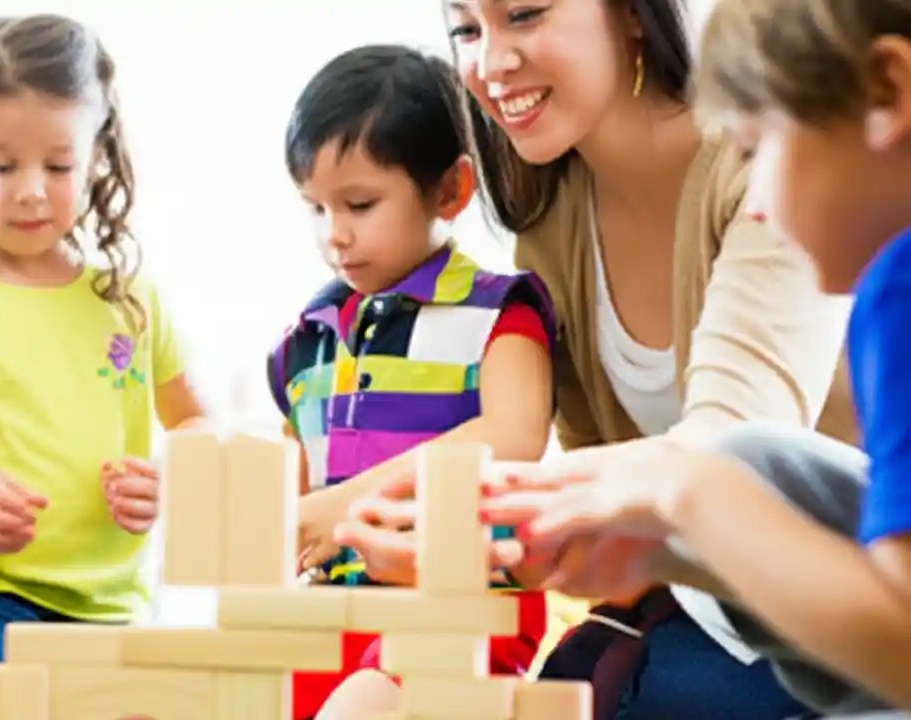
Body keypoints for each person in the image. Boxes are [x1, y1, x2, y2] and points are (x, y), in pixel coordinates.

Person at [330, 1, 860, 718]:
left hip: (830, 600)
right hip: (689, 604)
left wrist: (467, 519)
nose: (489, 64)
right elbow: (618, 509)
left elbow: (729, 456)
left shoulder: (767, 168)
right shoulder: (550, 225)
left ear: (634, 15)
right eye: (466, 30)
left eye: (524, 13)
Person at [479, 0, 911, 714]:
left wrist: (692, 492)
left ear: (887, 94)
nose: (760, 203)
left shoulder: (897, 288)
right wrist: (658, 546)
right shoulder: (549, 232)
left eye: (758, 147)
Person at [0, 15, 204, 720]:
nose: (31, 190)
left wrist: (169, 479)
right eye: (0, 165)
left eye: (57, 165)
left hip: (111, 610)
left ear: (97, 156)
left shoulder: (128, 300)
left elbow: (196, 422)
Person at [270, 44, 556, 719]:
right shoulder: (305, 340)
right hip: (331, 615)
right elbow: (290, 493)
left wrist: (352, 504)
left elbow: (512, 437)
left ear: (451, 190)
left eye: (360, 204)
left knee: (363, 705)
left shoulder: (499, 312)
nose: (334, 236)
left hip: (464, 604)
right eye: (316, 209)